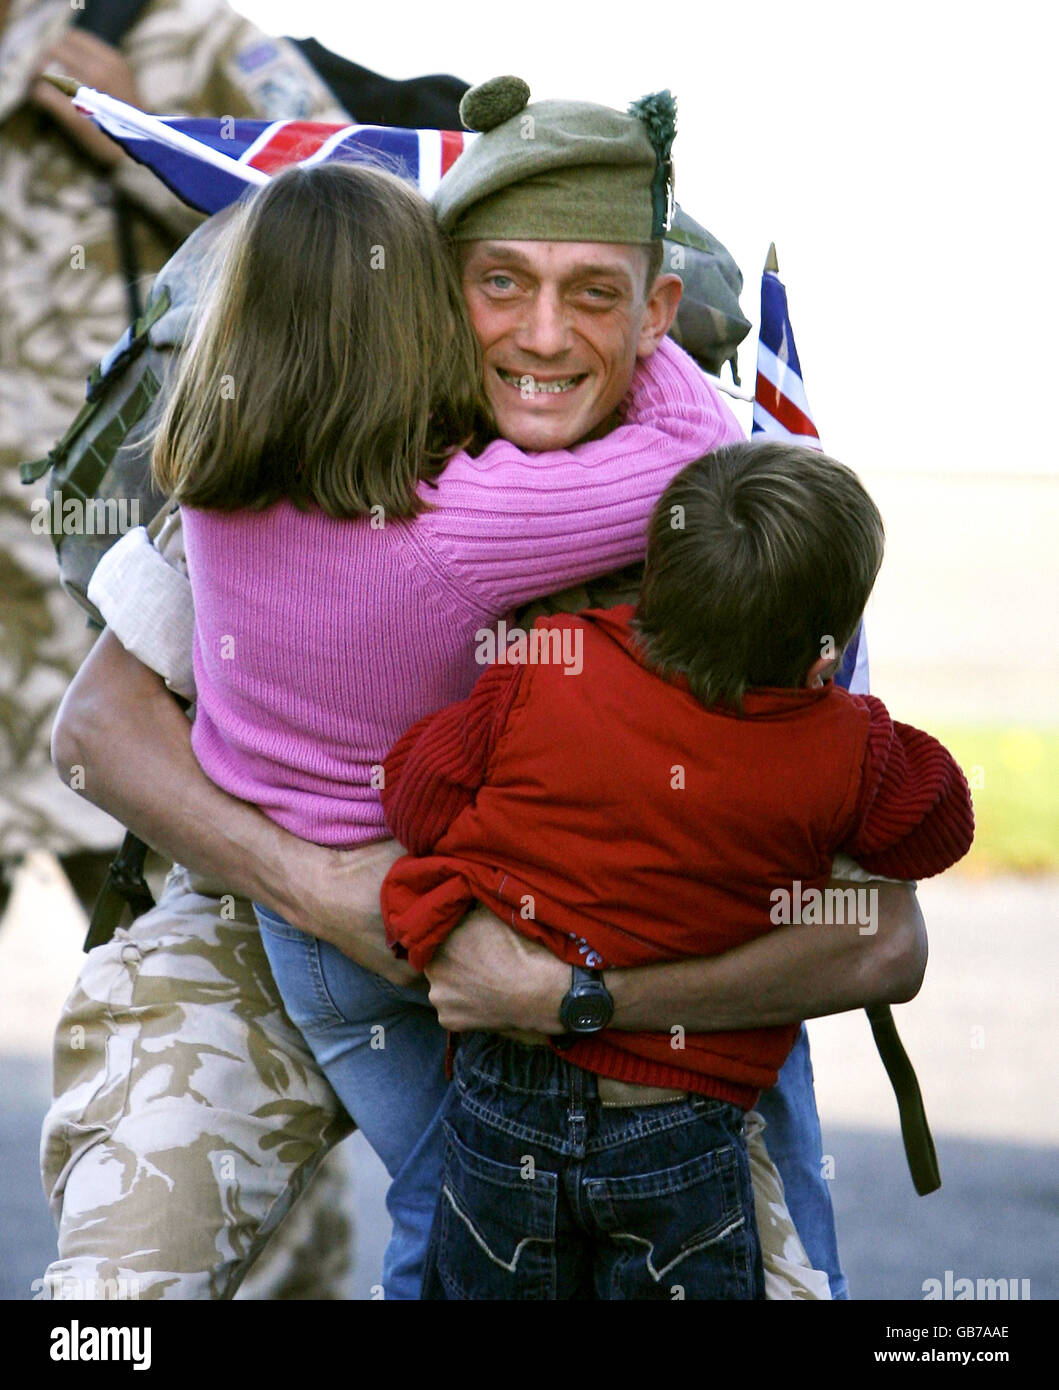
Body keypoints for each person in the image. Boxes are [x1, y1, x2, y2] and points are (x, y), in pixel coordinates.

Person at [44, 77, 927, 1301]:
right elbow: (94, 729)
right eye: (499, 282)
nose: (545, 338)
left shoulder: (755, 520)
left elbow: (877, 935)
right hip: (277, 918)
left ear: (658, 314)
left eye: (596, 295)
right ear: (424, 290)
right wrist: (324, 888)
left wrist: (580, 995)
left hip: (624, 985)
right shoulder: (322, 432)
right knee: (114, 1298)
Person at [150, 135, 741, 1298]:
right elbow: (693, 450)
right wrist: (638, 325)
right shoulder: (456, 527)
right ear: (420, 327)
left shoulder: (209, 484)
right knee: (467, 1199)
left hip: (296, 929)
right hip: (411, 910)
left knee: (437, 1181)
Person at [379, 441, 975, 1299]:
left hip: (503, 1096)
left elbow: (415, 796)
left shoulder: (547, 664)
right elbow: (940, 829)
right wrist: (841, 712)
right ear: (822, 654)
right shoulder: (851, 753)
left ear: (646, 585)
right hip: (679, 1125)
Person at [0, 0, 347, 916]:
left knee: (154, 980)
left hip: (117, 590)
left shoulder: (189, 41)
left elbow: (359, 224)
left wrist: (148, 143)